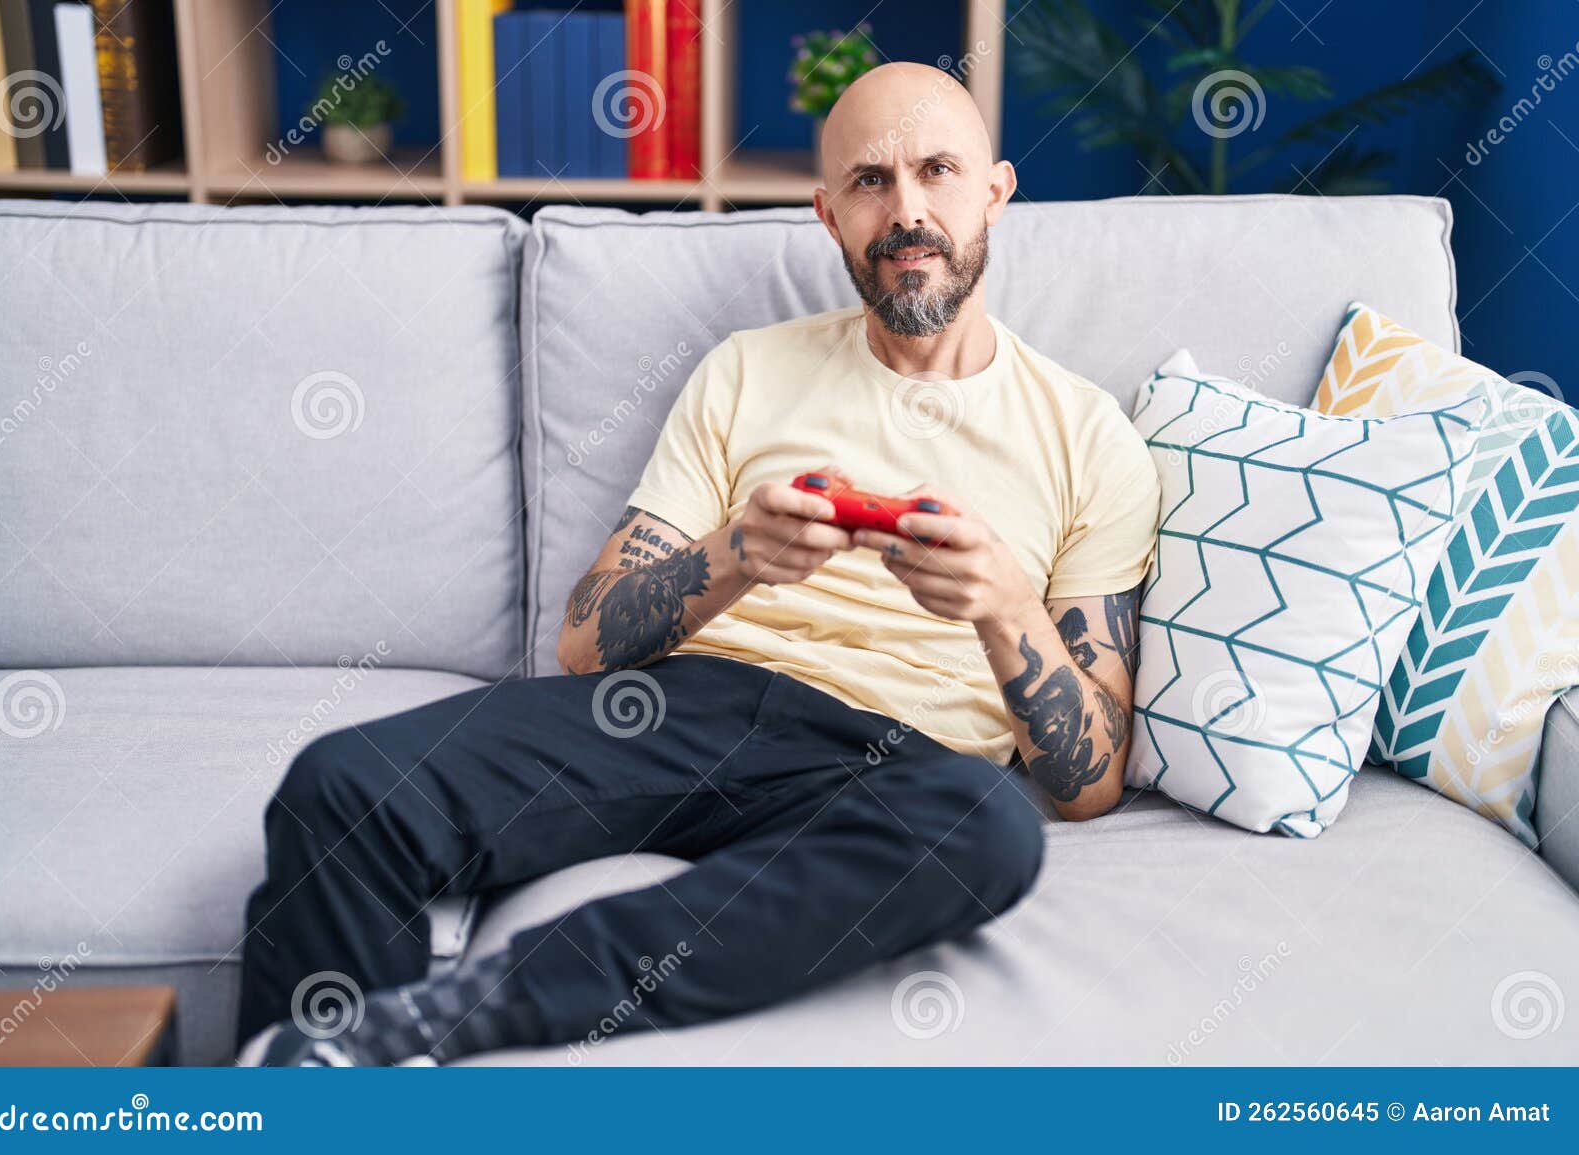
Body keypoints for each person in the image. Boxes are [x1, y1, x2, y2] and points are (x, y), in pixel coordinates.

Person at [240, 61, 1160, 1066]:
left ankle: (438, 1019)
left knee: (988, 828)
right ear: (826, 213)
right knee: (341, 784)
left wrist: (1003, 605)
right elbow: (587, 642)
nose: (905, 212)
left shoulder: (1087, 435)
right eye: (868, 182)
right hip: (687, 712)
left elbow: (1086, 783)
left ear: (994, 192)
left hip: (905, 762)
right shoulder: (746, 369)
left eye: (936, 171)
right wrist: (735, 555)